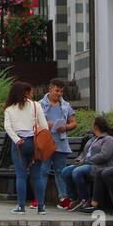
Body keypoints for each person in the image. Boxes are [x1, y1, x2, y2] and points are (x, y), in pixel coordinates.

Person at [4, 79, 50, 213]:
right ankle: (41, 207)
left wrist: (17, 140)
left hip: (19, 144)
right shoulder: (36, 105)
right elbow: (44, 126)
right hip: (35, 142)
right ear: (25, 93)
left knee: (21, 175)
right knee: (37, 176)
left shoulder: (9, 109)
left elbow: (7, 127)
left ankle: (21, 206)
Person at [60, 116, 113, 210]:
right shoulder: (92, 139)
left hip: (99, 167)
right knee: (65, 171)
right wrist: (79, 159)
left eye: (93, 124)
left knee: (77, 172)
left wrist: (87, 160)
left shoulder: (109, 139)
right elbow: (84, 153)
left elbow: (104, 156)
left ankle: (85, 199)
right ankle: (74, 198)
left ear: (96, 126)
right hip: (86, 164)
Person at [37, 79, 78, 209]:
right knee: (43, 171)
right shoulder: (39, 105)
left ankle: (63, 199)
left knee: (60, 171)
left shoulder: (65, 105)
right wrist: (44, 124)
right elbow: (33, 122)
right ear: (50, 89)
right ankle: (39, 200)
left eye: (61, 91)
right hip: (45, 143)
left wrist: (65, 127)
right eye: (57, 90)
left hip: (60, 143)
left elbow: (73, 123)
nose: (59, 93)